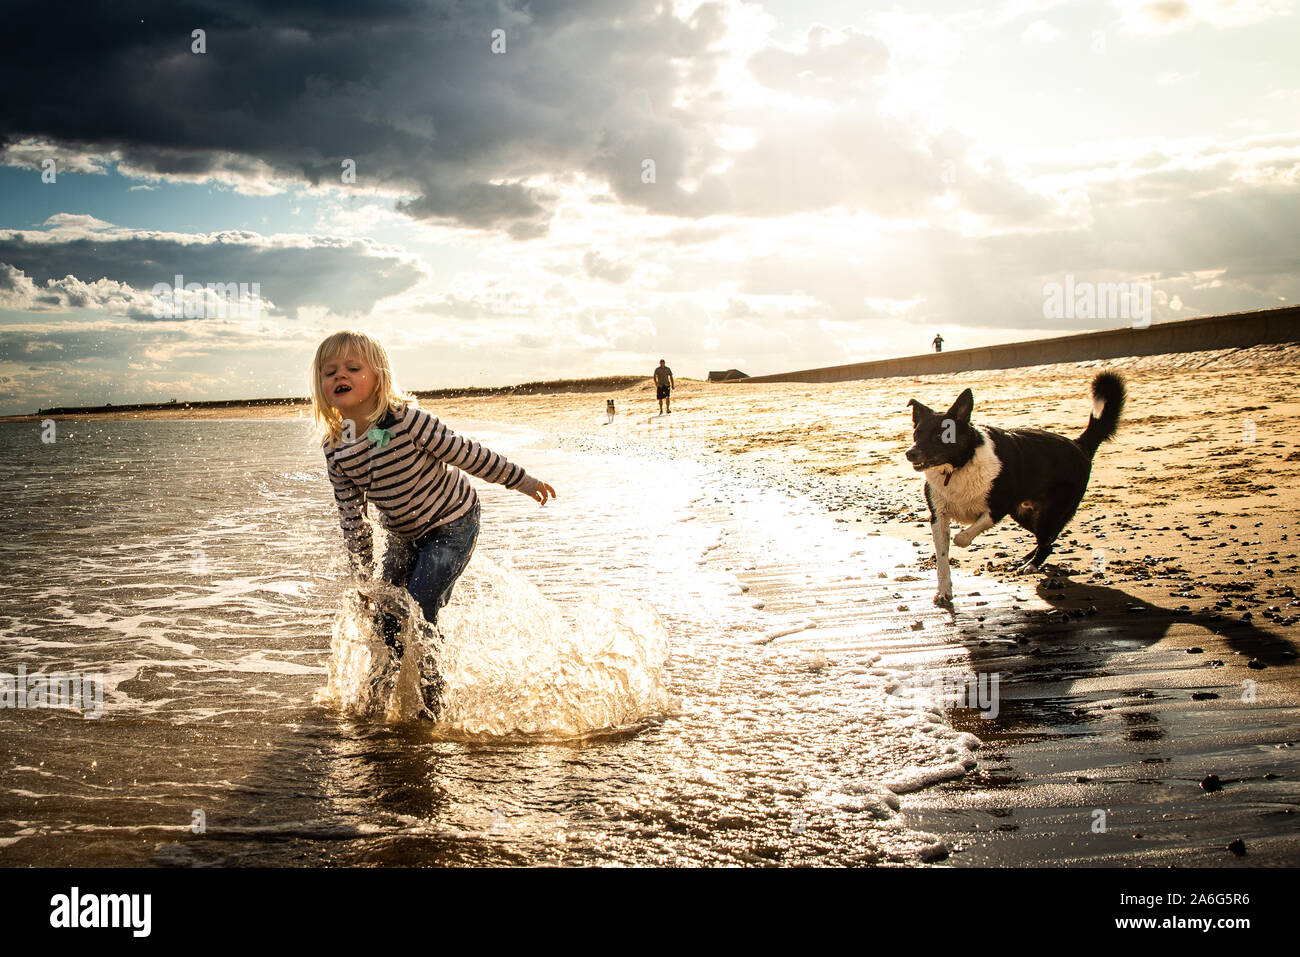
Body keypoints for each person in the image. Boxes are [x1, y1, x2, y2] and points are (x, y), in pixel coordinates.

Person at [310, 330, 556, 711]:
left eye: (353, 368)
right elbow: (353, 520)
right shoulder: (336, 448)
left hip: (453, 523)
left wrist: (521, 481)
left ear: (378, 376)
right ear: (320, 383)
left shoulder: (409, 422)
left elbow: (468, 454)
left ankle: (432, 707)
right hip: (404, 535)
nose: (340, 376)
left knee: (419, 610)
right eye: (330, 372)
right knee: (387, 621)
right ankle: (379, 702)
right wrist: (363, 581)